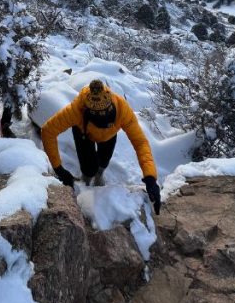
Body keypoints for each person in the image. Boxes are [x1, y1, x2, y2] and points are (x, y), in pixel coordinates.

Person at [41, 79, 161, 214]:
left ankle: (99, 174)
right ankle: (87, 178)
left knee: (104, 160)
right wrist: (59, 169)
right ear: (87, 111)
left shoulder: (122, 109)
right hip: (84, 133)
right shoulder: (77, 110)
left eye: (108, 119)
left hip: (109, 136)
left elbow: (140, 142)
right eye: (99, 121)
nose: (103, 123)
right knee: (89, 168)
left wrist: (150, 178)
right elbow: (48, 131)